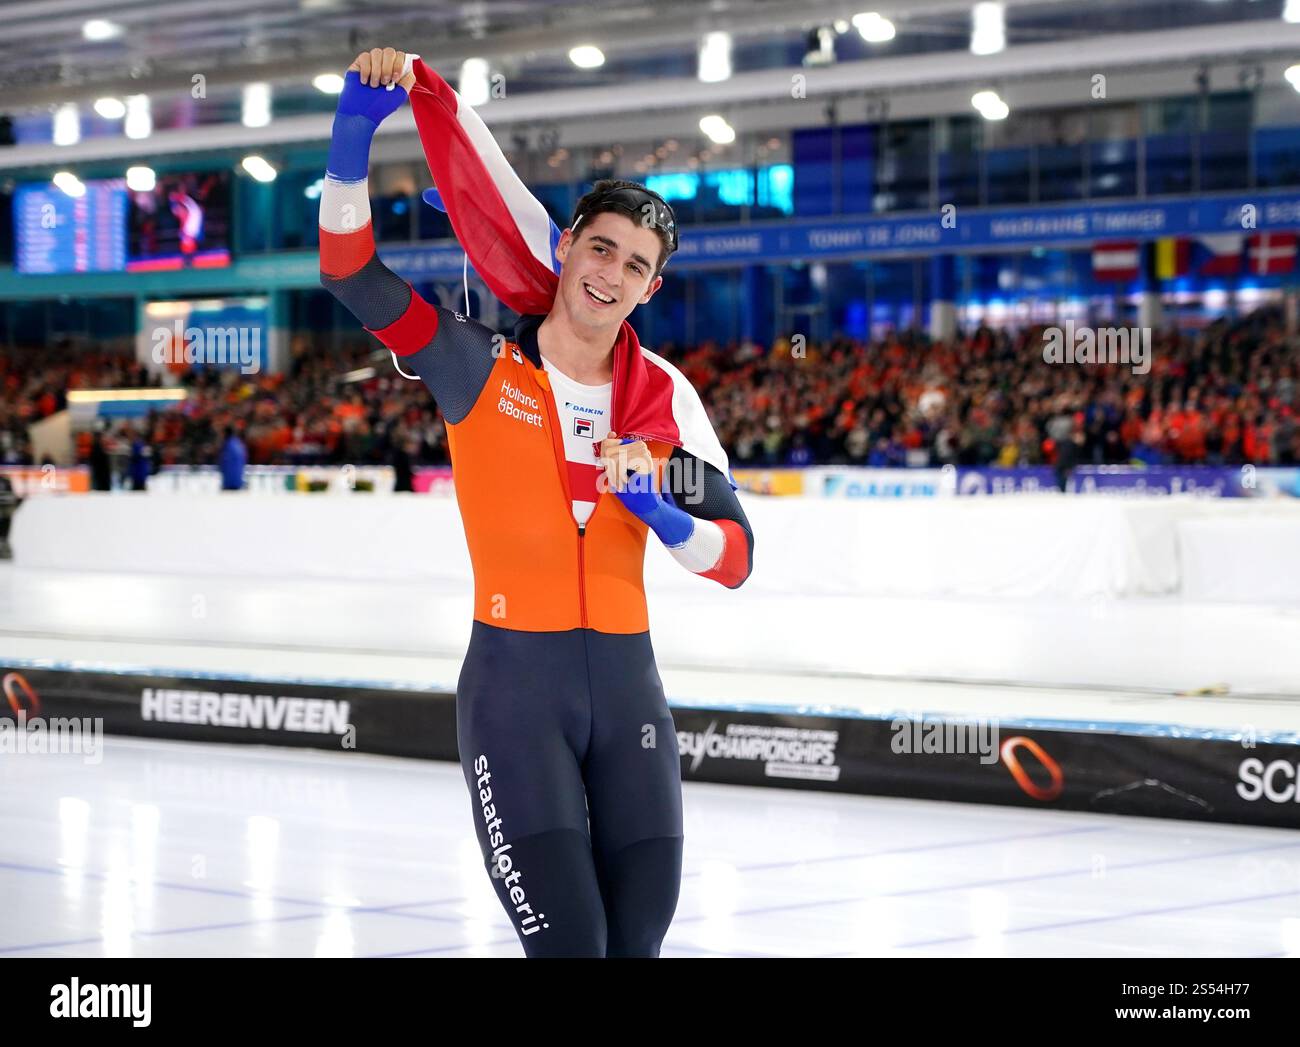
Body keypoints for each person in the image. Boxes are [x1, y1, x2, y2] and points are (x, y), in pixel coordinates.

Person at [319, 48, 754, 958]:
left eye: (636, 265)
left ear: (651, 288)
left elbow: (735, 554)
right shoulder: (476, 365)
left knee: (634, 945)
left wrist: (664, 509)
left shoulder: (662, 404)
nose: (612, 273)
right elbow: (352, 273)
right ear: (567, 246)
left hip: (632, 701)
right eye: (601, 247)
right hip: (516, 702)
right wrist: (352, 137)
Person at [218, 427, 247, 491]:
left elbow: (226, 463)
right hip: (237, 481)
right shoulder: (238, 443)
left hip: (230, 483)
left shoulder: (229, 446)